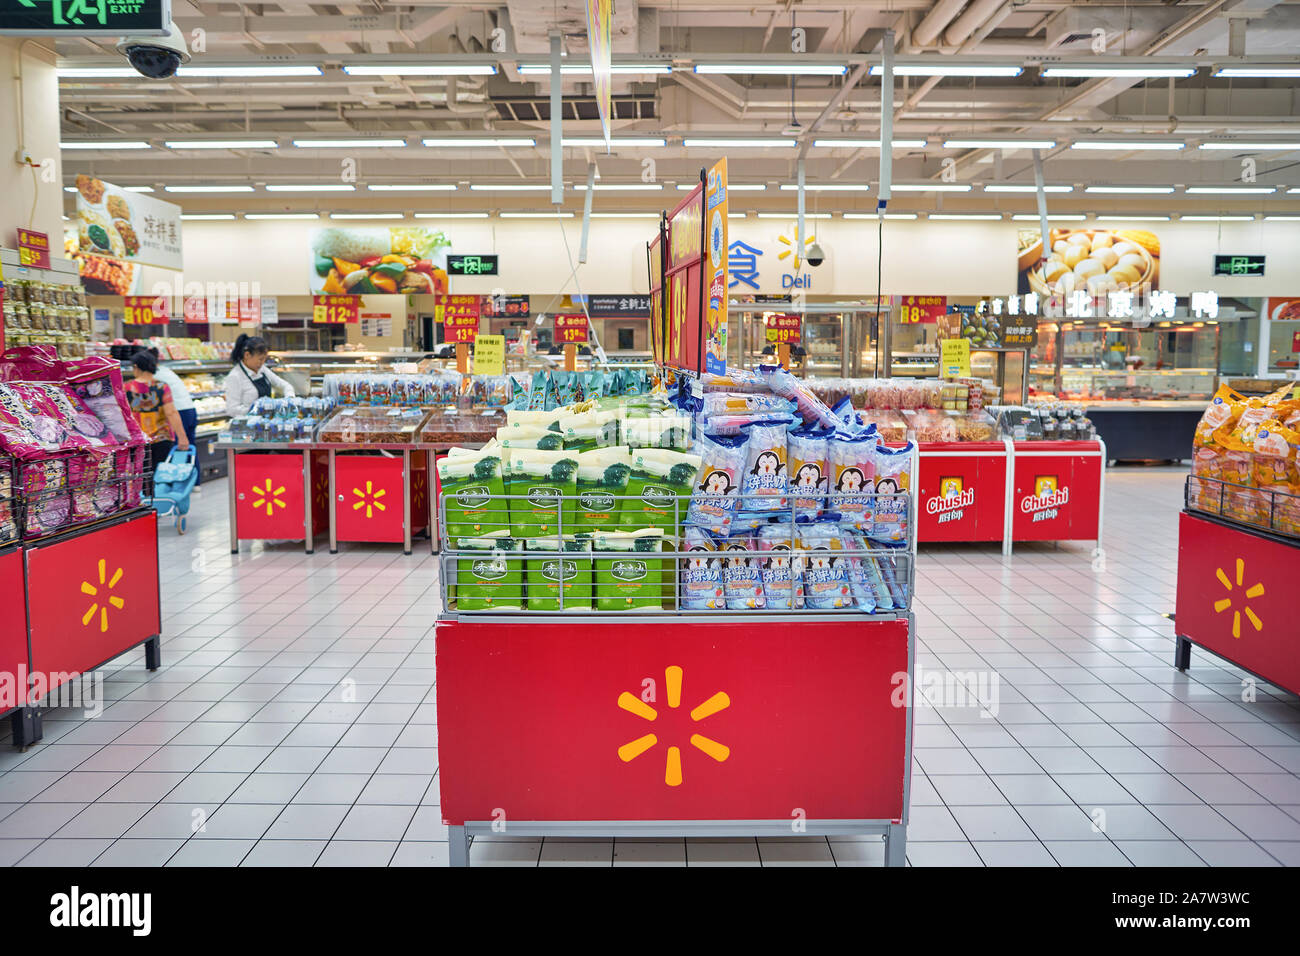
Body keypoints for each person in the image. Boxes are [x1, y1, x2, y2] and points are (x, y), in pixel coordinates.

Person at [125, 351, 190, 474]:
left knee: (140, 476)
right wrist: (182, 437)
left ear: (136, 367)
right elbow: (171, 413)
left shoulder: (127, 388)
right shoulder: (162, 387)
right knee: (160, 475)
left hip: (138, 440)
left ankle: (144, 494)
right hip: (162, 438)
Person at [148, 347, 200, 486]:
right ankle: (195, 482)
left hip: (179, 412)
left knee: (178, 449)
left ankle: (177, 482)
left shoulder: (156, 376)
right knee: (190, 447)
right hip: (190, 410)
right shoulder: (166, 370)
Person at [225, 334, 295, 416]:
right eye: (260, 359)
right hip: (247, 425)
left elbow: (284, 385)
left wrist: (289, 399)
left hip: (265, 421)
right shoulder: (235, 377)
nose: (262, 363)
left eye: (264, 359)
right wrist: (257, 410)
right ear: (247, 355)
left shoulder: (262, 369)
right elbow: (232, 410)